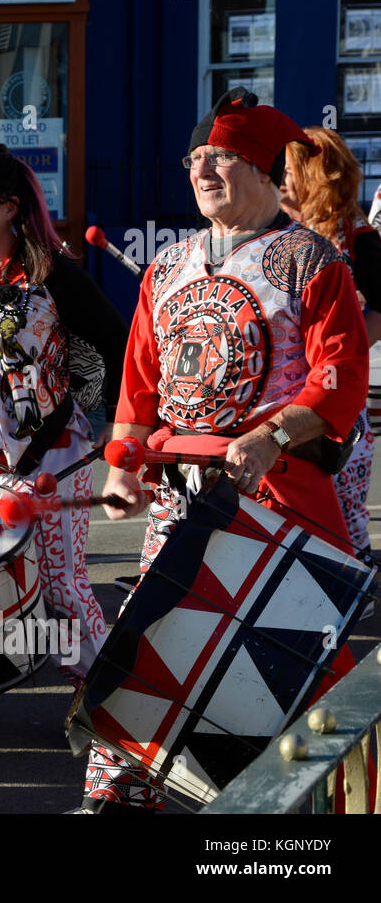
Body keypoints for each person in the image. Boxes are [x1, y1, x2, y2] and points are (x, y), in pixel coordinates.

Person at [88, 88, 368, 813]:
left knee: (303, 673)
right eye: (196, 157)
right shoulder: (167, 268)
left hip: (279, 498)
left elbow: (338, 380)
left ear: (265, 170)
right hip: (181, 501)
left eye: (223, 156)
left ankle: (313, 811)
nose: (204, 168)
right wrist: (122, 470)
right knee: (147, 664)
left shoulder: (312, 260)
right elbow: (138, 387)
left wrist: (273, 437)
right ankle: (124, 800)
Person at [0, 142, 125, 680]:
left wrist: (107, 423)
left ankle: (113, 706)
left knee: (63, 588)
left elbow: (118, 345)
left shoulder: (53, 275)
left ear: (10, 206)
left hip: (53, 456)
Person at [281, 127, 381, 561]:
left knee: (340, 502)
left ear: (316, 175)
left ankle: (352, 591)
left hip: (338, 394)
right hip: (284, 394)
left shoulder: (356, 237)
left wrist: (340, 348)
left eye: (287, 172)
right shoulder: (275, 231)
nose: (276, 179)